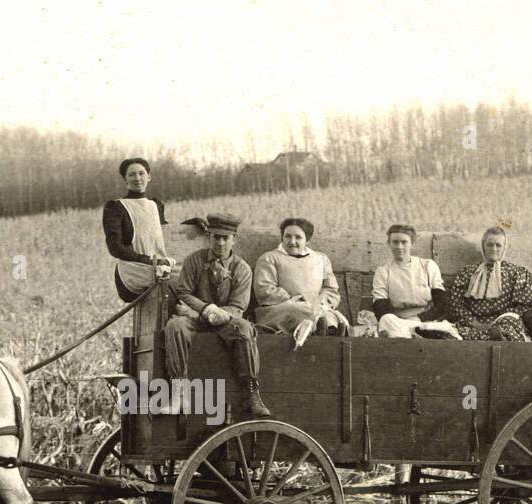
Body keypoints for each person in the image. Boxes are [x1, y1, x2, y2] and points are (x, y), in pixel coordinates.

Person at [164, 213, 270, 417]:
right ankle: (178, 393)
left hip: (225, 321)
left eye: (225, 238)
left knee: (245, 328)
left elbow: (238, 307)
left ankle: (251, 393)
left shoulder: (242, 269)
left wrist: (210, 314)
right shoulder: (194, 260)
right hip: (194, 318)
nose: (220, 243)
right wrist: (205, 310)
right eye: (216, 237)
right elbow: (184, 292)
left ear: (234, 240)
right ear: (209, 237)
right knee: (174, 326)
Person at [252, 217, 348, 344]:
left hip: (315, 308)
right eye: (287, 236)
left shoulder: (321, 259)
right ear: (282, 238)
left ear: (307, 240)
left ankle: (328, 333)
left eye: (298, 237)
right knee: (298, 312)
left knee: (332, 316)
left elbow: (330, 288)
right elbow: (264, 288)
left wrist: (320, 302)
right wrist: (297, 301)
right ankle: (317, 330)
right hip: (280, 309)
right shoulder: (270, 258)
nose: (292, 242)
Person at [446, 226, 532, 341]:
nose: (494, 249)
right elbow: (456, 303)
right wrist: (474, 323)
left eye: (498, 245)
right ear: (483, 247)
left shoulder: (517, 273)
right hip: (471, 324)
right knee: (454, 334)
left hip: (505, 324)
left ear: (505, 247)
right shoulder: (467, 272)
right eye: (489, 245)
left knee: (507, 333)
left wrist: (498, 322)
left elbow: (525, 304)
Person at [103, 157, 172, 303]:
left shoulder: (155, 205)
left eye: (141, 173)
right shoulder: (116, 207)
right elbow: (115, 247)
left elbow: (164, 231)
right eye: (131, 174)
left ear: (149, 177)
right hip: (131, 271)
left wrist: (191, 225)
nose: (137, 178)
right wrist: (145, 260)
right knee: (176, 282)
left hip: (155, 267)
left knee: (190, 278)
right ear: (125, 179)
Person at [369, 223, 447, 338]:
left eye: (404, 242)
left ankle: (408, 334)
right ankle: (408, 335)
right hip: (397, 321)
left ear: (411, 243)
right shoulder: (383, 272)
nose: (399, 247)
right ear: (389, 244)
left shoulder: (427, 266)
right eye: (395, 242)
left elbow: (442, 304)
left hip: (425, 321)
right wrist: (400, 321)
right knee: (386, 320)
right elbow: (380, 307)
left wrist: (419, 318)